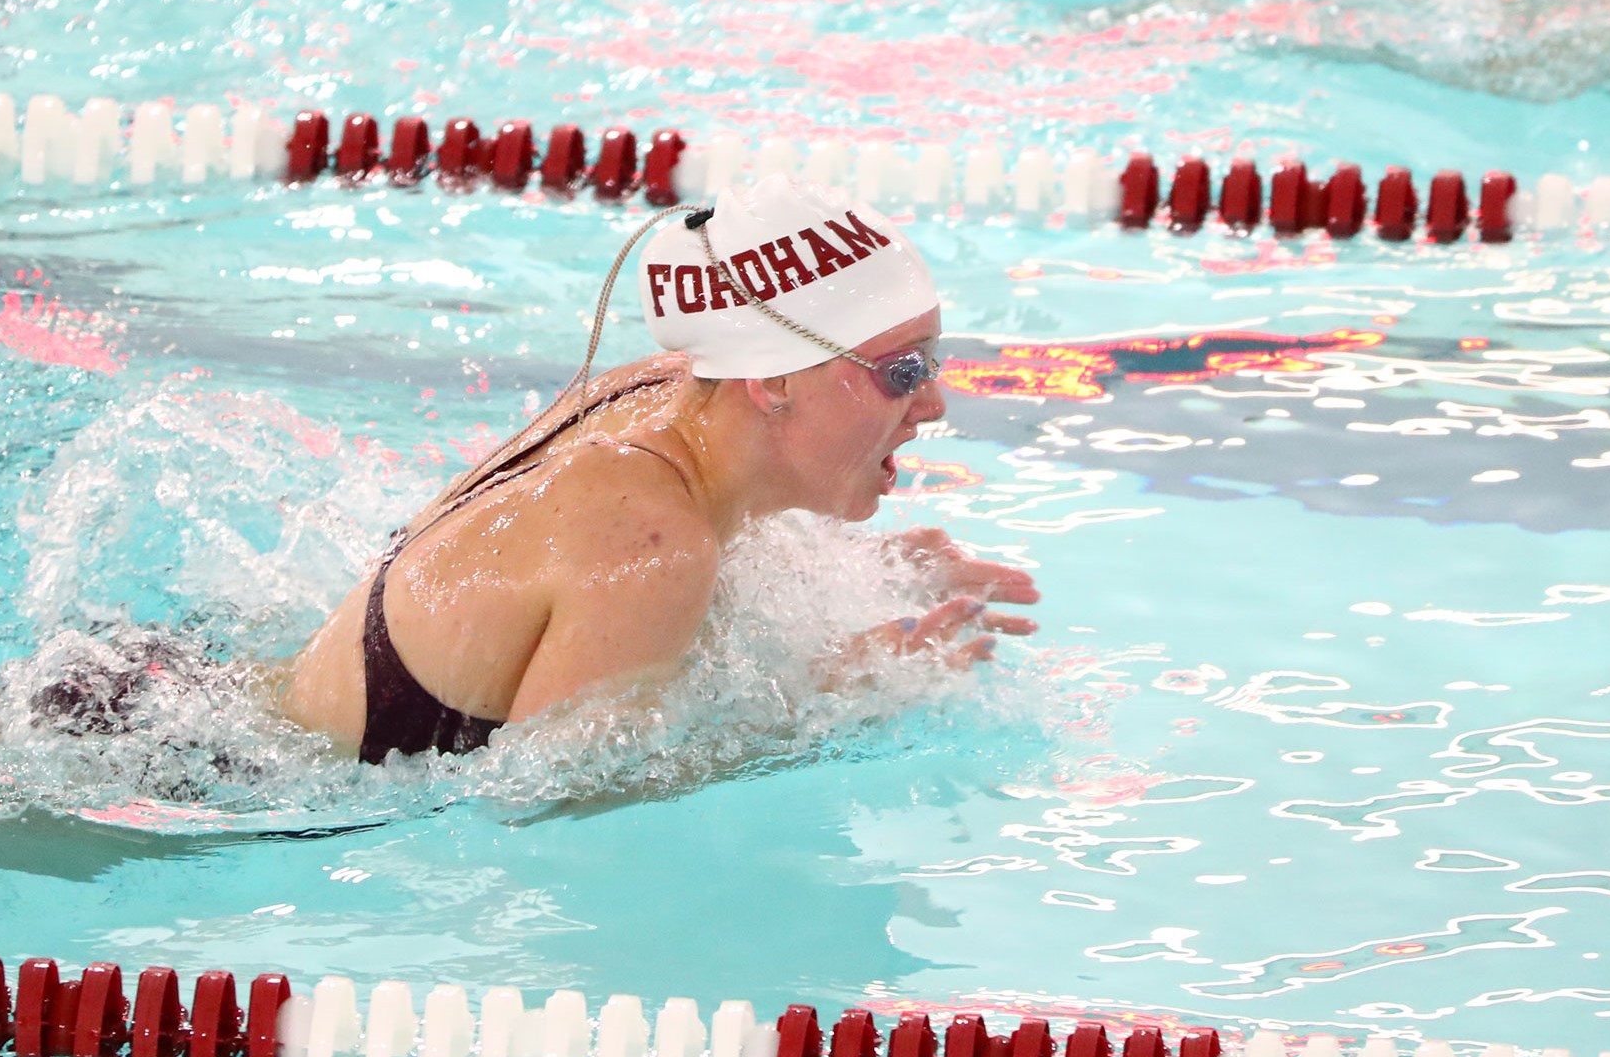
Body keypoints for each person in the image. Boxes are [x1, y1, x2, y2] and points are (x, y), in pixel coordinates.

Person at [276, 174, 1040, 764]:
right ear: (772, 380)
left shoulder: (665, 400)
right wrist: (834, 697)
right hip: (252, 796)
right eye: (902, 370)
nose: (933, 403)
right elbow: (546, 802)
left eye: (933, 360)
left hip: (244, 705)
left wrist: (868, 572)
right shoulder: (653, 544)